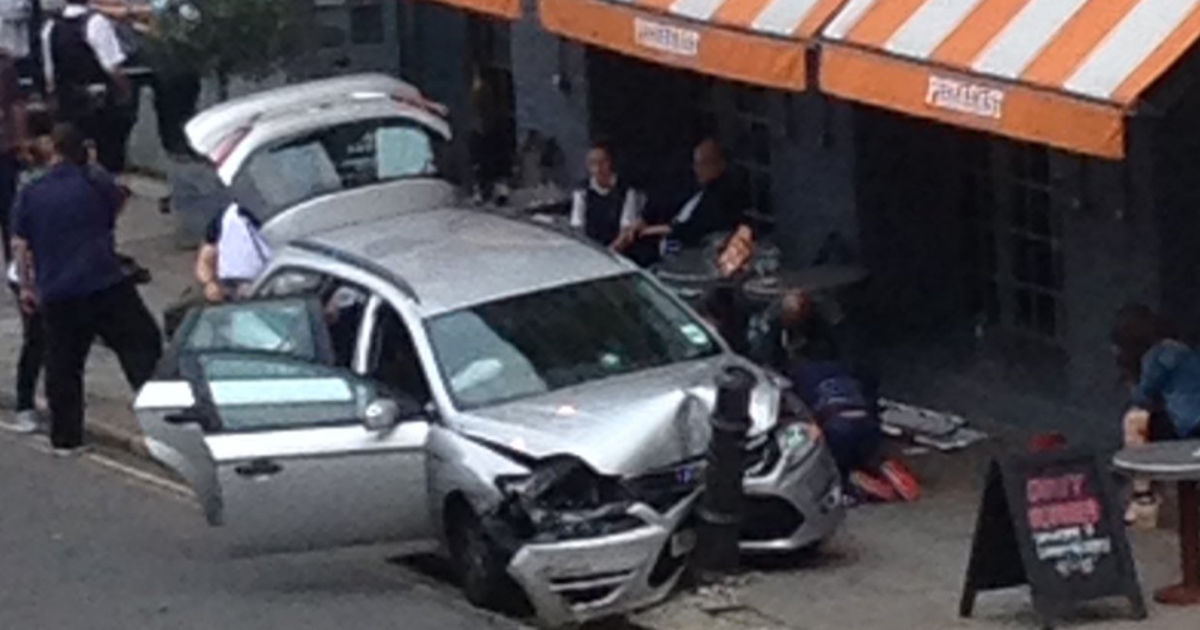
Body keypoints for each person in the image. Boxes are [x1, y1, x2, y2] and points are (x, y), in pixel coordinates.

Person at [11, 123, 161, 454]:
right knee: (141, 345)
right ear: (85, 150)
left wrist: (27, 287)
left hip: (58, 290)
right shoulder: (95, 182)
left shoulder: (31, 193)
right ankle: (161, 424)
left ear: (53, 151)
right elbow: (117, 205)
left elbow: (21, 245)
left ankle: (66, 439)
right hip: (103, 281)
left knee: (63, 364)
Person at [1111, 303, 1200, 527]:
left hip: (1191, 423)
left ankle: (1144, 497)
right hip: (1188, 418)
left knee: (1134, 420)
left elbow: (1141, 398)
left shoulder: (1159, 355)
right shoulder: (1183, 350)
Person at [789, 358, 919, 503]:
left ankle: (852, 478)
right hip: (867, 425)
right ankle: (883, 465)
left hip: (836, 427)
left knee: (826, 460)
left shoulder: (798, 376)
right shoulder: (852, 367)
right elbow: (872, 395)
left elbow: (798, 412)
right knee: (867, 451)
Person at [42, 0, 133, 173]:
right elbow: (112, 67)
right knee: (108, 152)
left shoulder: (51, 26)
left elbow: (49, 72)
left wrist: (52, 99)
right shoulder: (96, 22)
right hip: (100, 100)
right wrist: (125, 91)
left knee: (71, 150)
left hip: (67, 99)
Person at [0, 130, 47, 434]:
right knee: (37, 340)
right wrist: (27, 284)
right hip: (30, 275)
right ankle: (25, 404)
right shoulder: (30, 190)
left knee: (53, 342)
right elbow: (19, 243)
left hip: (52, 274)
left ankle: (35, 402)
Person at [638, 138, 751, 252]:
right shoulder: (695, 186)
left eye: (704, 164)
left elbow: (694, 229)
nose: (698, 170)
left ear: (720, 164)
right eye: (696, 164)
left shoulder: (722, 196)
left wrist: (654, 230)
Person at [569, 141, 642, 252]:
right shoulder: (581, 192)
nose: (598, 168)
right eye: (593, 163)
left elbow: (626, 230)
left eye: (603, 162)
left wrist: (610, 251)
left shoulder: (626, 191)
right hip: (589, 250)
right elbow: (577, 227)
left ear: (611, 162)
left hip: (619, 253)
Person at [195, 202, 271, 303]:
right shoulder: (225, 218)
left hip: (270, 286)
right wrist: (210, 283)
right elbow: (206, 256)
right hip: (231, 291)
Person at [749, 288, 839, 370]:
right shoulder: (770, 319)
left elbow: (831, 341)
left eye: (799, 316)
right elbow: (765, 350)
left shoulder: (821, 314)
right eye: (790, 318)